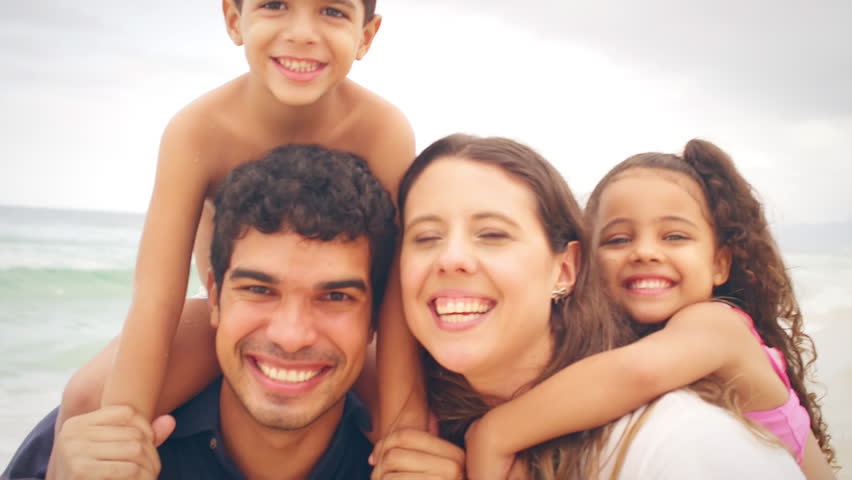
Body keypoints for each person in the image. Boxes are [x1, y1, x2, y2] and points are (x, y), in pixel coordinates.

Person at [58, 0, 424, 461]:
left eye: (332, 11)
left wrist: (403, 433)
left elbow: (391, 293)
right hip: (237, 314)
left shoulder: (381, 129)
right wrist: (121, 431)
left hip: (332, 322)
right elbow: (157, 296)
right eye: (275, 5)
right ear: (234, 20)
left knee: (422, 428)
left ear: (366, 36)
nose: (302, 32)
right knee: (87, 399)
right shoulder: (199, 129)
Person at [368, 134, 805, 479]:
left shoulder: (680, 436)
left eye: (493, 234)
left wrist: (492, 437)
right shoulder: (420, 418)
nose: (451, 259)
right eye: (425, 238)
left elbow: (639, 374)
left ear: (567, 270)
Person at [3, 144, 398, 480]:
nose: (290, 335)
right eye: (259, 290)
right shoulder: (98, 447)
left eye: (335, 297)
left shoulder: (409, 464)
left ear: (376, 317)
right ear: (214, 298)